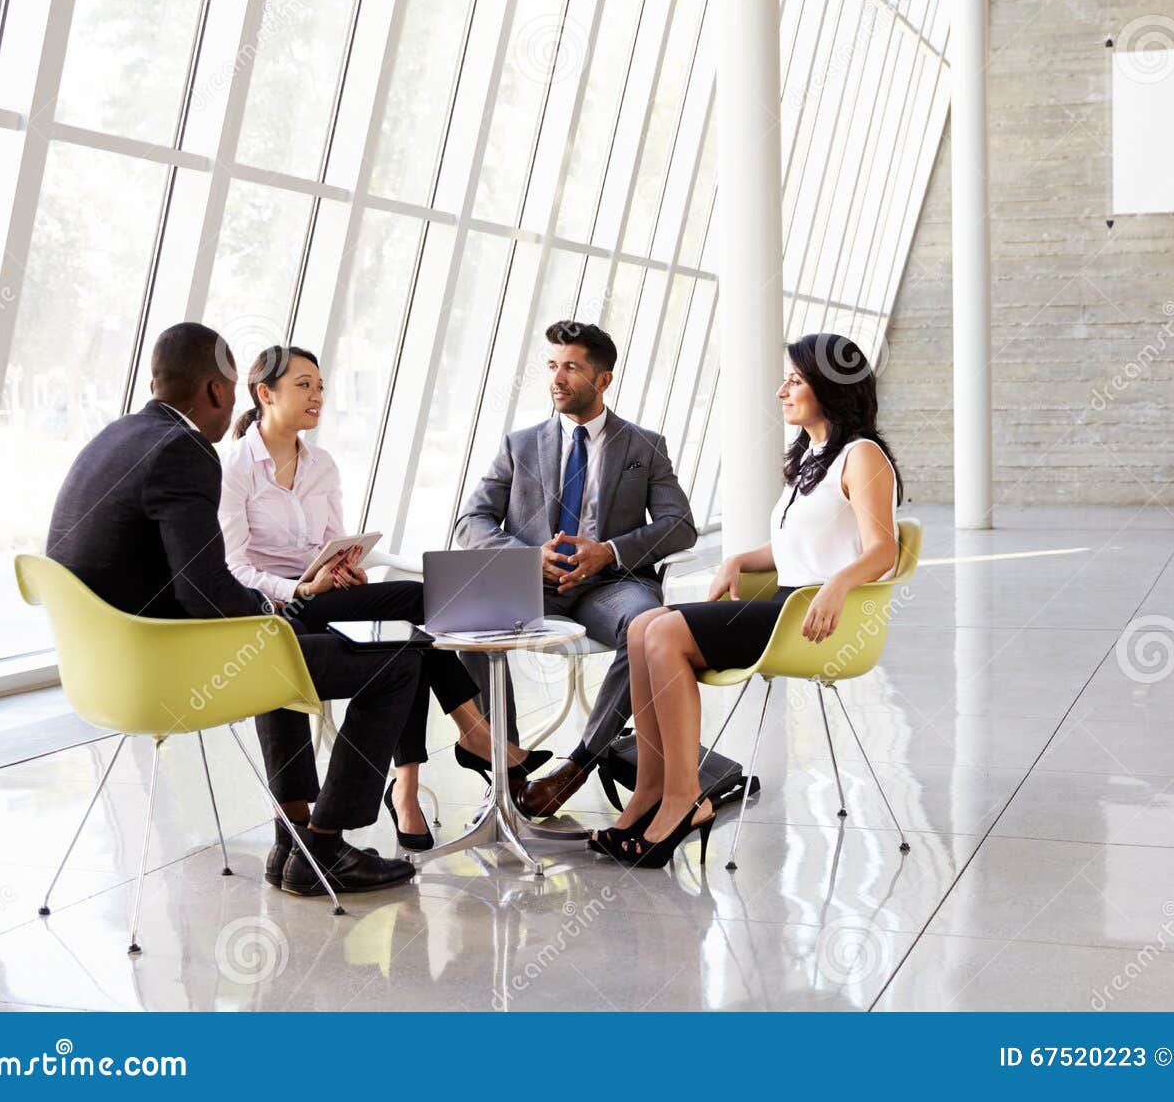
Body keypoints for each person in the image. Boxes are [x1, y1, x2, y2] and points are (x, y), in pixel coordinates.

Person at [45, 322, 417, 897]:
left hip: (106, 673)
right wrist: (278, 611)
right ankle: (324, 847)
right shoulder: (184, 451)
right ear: (219, 392)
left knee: (275, 641)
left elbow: (195, 585)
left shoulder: (115, 437)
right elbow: (205, 591)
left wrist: (273, 615)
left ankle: (293, 844)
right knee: (394, 661)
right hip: (170, 672)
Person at [218, 345, 548, 853]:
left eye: (321, 386)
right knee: (414, 606)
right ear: (266, 393)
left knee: (408, 633)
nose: (317, 396)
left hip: (321, 597)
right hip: (277, 607)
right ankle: (469, 736)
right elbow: (235, 566)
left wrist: (344, 568)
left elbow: (330, 540)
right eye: (304, 385)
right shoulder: (237, 467)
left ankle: (413, 787)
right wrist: (299, 589)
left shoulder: (320, 464)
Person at [590, 333, 903, 868]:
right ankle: (650, 790)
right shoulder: (813, 454)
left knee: (661, 630)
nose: (782, 391)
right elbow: (796, 545)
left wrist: (837, 584)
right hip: (784, 602)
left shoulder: (862, 456)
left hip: (813, 617)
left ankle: (684, 796)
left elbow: (884, 551)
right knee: (644, 625)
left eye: (795, 381)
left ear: (830, 389)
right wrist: (739, 559)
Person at [454, 320, 697, 817]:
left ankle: (579, 764)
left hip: (607, 587)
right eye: (552, 366)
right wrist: (526, 557)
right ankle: (507, 766)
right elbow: (470, 520)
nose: (557, 378)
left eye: (571, 367)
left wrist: (608, 551)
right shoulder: (518, 446)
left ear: (602, 380)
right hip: (531, 584)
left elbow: (680, 525)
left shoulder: (643, 446)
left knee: (651, 625)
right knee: (467, 613)